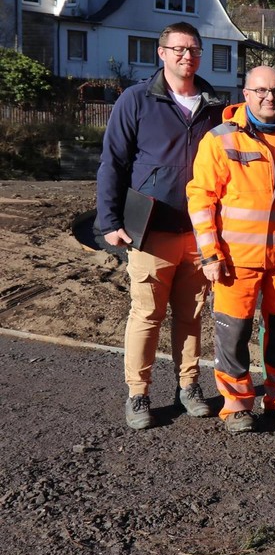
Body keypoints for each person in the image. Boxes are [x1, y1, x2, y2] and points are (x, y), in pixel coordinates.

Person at [96, 21, 224, 429]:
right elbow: (112, 163)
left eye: (195, 49)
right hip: (149, 231)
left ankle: (189, 387)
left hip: (198, 233)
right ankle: (138, 394)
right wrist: (108, 221)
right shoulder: (135, 101)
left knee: (192, 316)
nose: (188, 56)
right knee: (146, 315)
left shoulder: (215, 106)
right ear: (162, 52)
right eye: (180, 49)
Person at [187, 66, 275, 434]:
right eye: (261, 90)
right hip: (235, 262)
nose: (270, 97)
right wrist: (210, 254)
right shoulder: (221, 140)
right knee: (232, 335)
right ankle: (236, 404)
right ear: (245, 94)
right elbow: (201, 200)